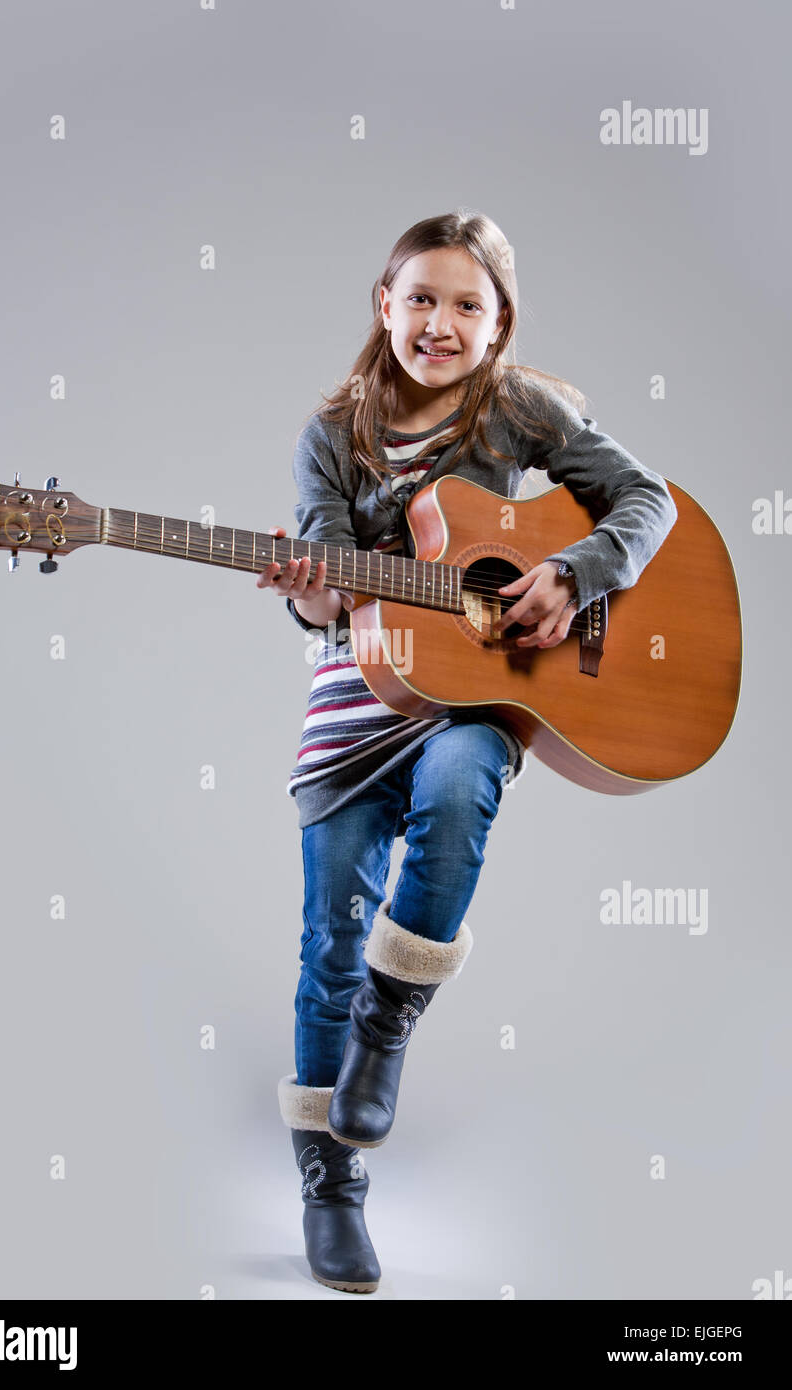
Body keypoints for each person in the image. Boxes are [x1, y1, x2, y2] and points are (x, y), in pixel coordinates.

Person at [256, 208, 677, 1294]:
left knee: (464, 780)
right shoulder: (329, 435)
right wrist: (315, 592)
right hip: (356, 698)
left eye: (466, 306)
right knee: (324, 948)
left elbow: (648, 499)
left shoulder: (518, 408)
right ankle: (331, 1187)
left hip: (466, 700)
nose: (439, 323)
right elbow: (328, 599)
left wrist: (576, 573)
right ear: (382, 306)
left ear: (497, 328)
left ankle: (388, 1023)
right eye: (421, 298)